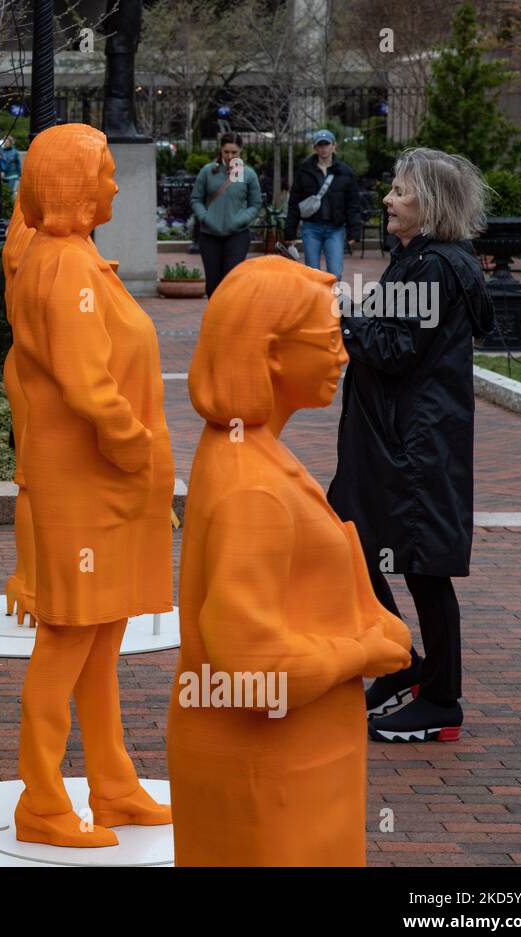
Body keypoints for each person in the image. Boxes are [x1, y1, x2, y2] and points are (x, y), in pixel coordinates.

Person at [170, 255, 411, 865]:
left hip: (290, 767)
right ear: (273, 352)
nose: (344, 355)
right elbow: (251, 669)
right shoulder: (252, 483)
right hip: (273, 777)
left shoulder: (247, 450)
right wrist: (365, 649)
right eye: (330, 340)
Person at [11, 124, 176, 848]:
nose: (115, 184)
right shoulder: (65, 267)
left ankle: (113, 785)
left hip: (98, 481)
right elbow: (88, 383)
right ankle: (43, 801)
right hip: (89, 481)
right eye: (106, 173)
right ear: (75, 183)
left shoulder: (68, 257)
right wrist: (135, 447)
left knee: (101, 641)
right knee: (70, 636)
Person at [328, 147, 495, 743]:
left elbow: (397, 349)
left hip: (415, 442)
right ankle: (402, 661)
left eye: (400, 191)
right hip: (395, 438)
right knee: (349, 536)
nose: (388, 200)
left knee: (423, 566)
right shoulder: (420, 259)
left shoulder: (434, 267)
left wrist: (343, 319)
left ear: (430, 205)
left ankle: (440, 699)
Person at [190, 132, 262, 297]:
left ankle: (230, 319)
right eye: (226, 152)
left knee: (232, 280)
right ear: (221, 151)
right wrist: (205, 218)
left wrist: (241, 219)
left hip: (237, 234)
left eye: (234, 152)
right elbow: (196, 199)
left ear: (240, 151)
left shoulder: (248, 174)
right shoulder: (208, 172)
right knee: (213, 284)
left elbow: (255, 204)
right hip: (210, 234)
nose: (230, 156)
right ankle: (215, 319)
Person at [284, 129, 362, 281]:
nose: (323, 148)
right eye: (320, 145)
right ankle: (317, 304)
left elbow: (353, 203)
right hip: (311, 228)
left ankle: (330, 303)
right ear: (315, 147)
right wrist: (290, 232)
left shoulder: (345, 172)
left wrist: (354, 231)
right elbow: (294, 202)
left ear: (334, 146)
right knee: (312, 274)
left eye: (327, 144)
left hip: (335, 229)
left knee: (335, 273)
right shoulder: (304, 171)